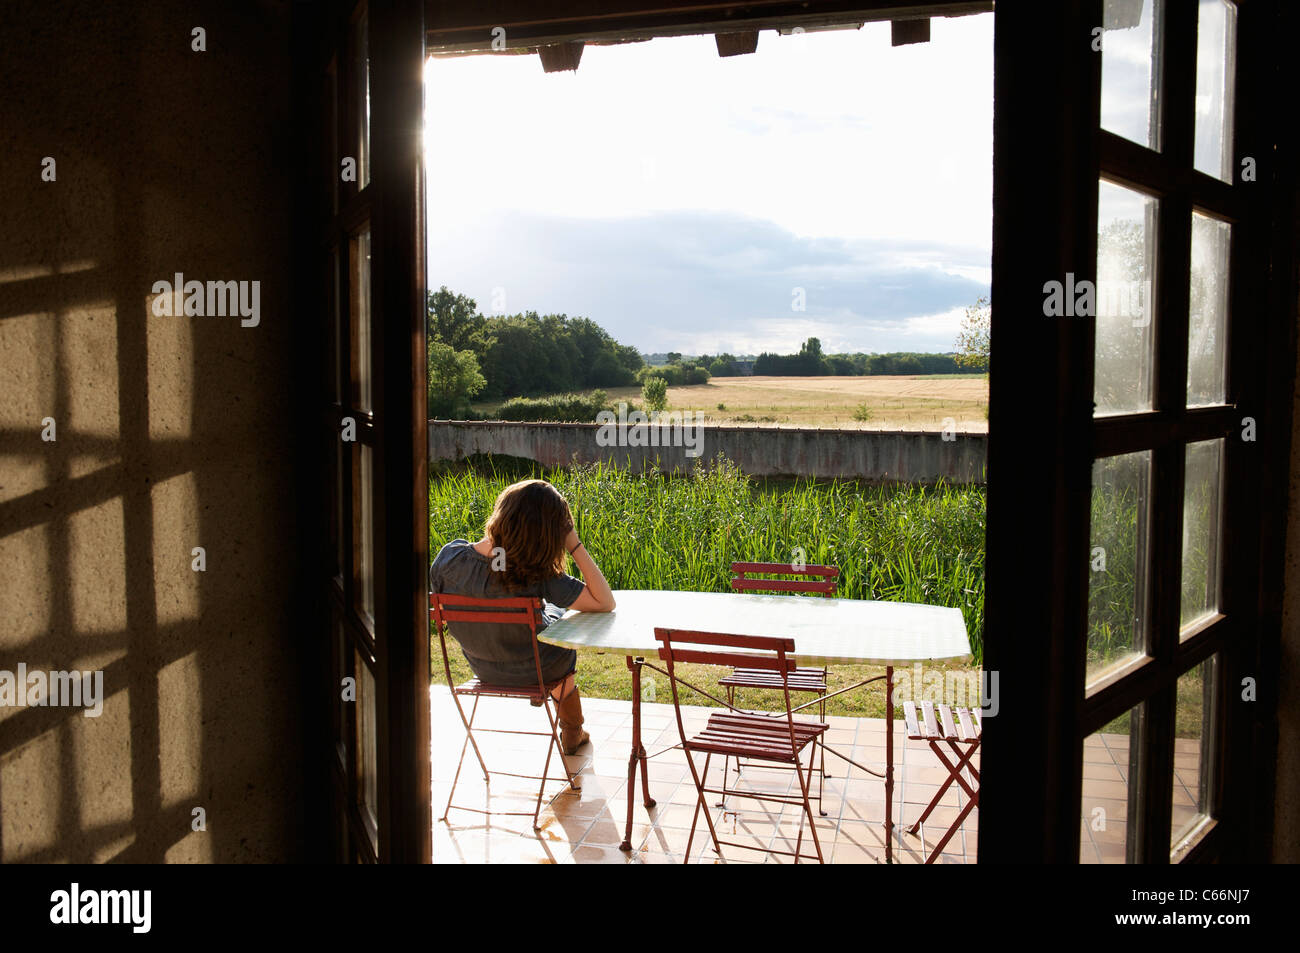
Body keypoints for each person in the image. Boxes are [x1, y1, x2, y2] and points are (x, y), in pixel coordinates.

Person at [429, 478, 616, 755]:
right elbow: (605, 601)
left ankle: (572, 728)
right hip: (541, 670)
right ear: (545, 532)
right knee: (559, 618)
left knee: (547, 613)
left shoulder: (449, 559)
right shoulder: (538, 573)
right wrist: (573, 544)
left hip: (483, 667)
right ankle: (572, 730)